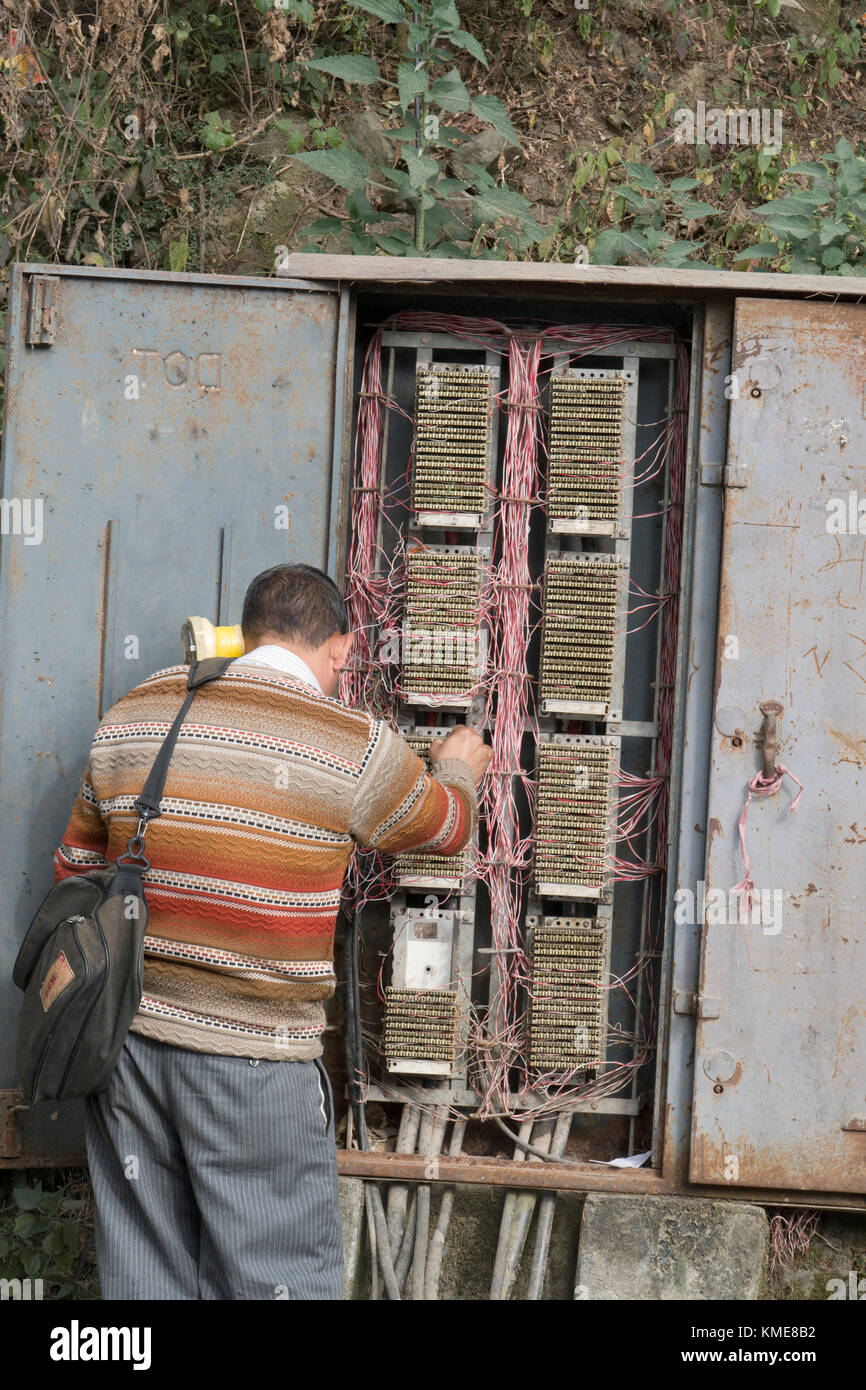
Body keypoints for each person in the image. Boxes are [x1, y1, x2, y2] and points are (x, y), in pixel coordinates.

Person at [55, 562, 490, 1300]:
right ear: (341, 650)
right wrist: (458, 770)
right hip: (254, 1062)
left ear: (249, 630)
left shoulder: (137, 708)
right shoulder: (348, 741)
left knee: (144, 1276)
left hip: (124, 1049)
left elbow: (74, 875)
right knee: (275, 1278)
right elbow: (443, 828)